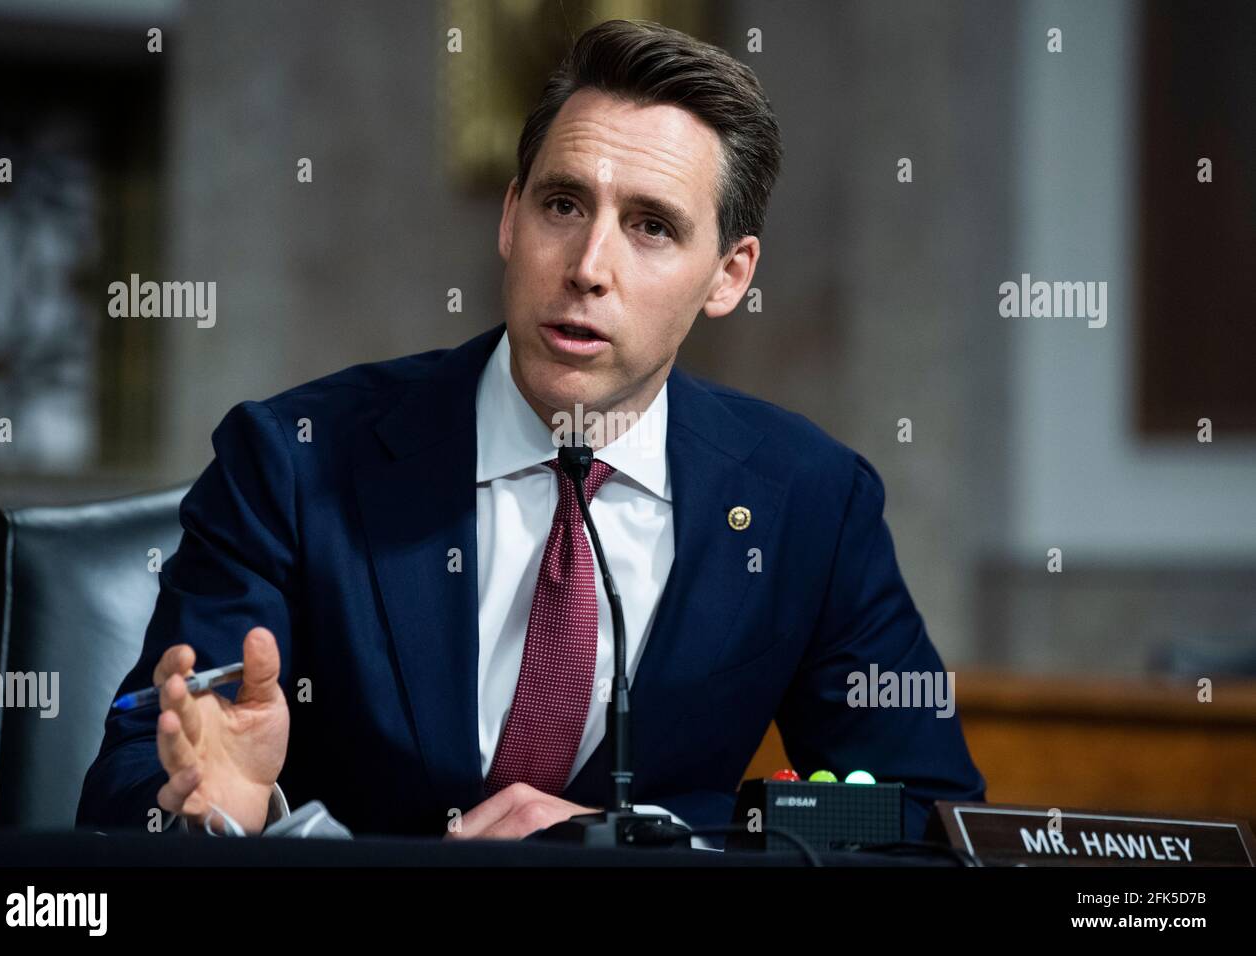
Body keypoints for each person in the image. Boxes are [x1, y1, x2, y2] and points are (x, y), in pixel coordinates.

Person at [77, 19, 984, 846]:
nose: (589, 266)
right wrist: (220, 814)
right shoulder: (292, 458)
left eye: (652, 227)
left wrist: (656, 841)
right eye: (562, 205)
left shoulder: (809, 503)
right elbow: (125, 773)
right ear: (511, 217)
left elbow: (926, 812)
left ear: (730, 275)